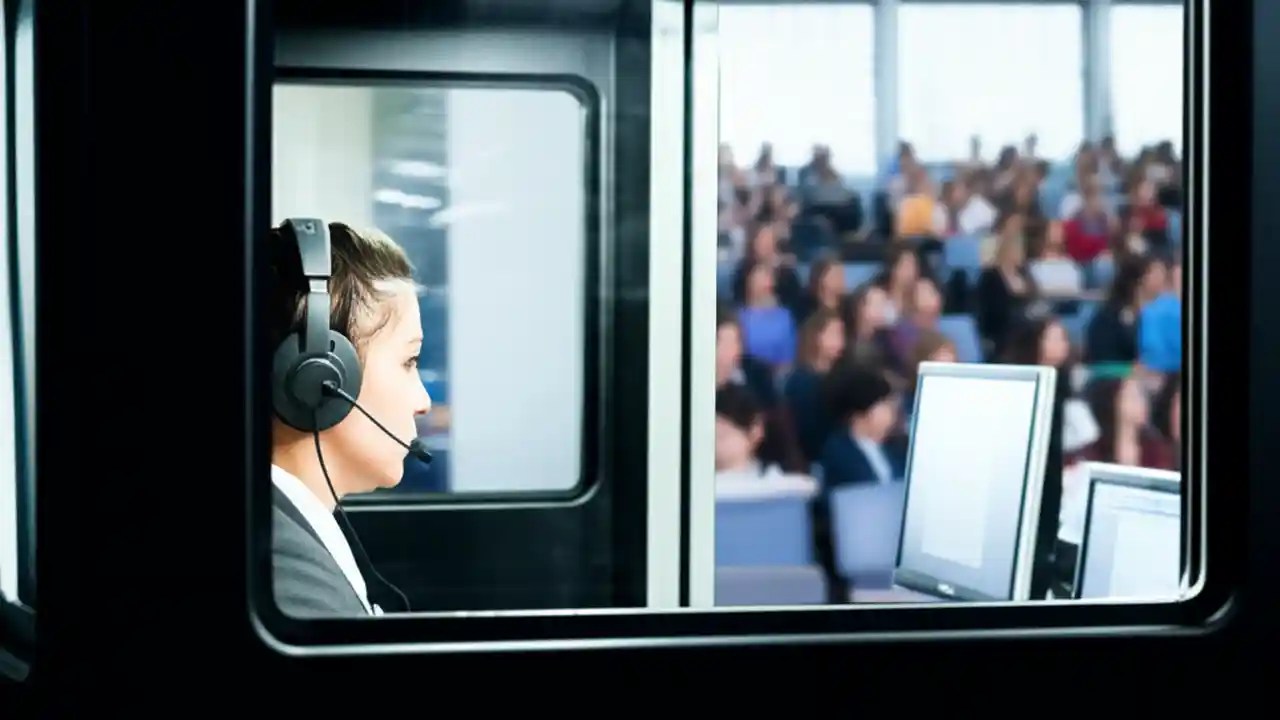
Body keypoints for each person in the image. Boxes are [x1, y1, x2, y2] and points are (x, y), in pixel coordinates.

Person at [267, 220, 433, 618]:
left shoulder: (296, 531)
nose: (424, 402)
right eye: (409, 361)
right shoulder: (294, 589)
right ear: (319, 377)